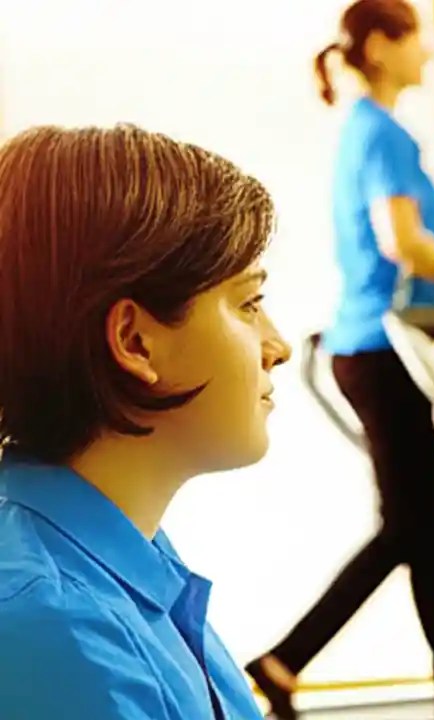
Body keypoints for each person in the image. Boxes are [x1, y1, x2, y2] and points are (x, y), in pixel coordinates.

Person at [243, 1, 434, 718]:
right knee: (411, 525)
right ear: (380, 45)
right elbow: (403, 241)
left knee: (426, 523)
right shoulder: (383, 135)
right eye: (417, 41)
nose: (429, 56)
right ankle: (283, 661)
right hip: (380, 351)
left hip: (381, 346)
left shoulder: (365, 132)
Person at [0, 124, 292, 718]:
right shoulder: (55, 633)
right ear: (135, 341)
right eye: (248, 305)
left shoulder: (127, 557)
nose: (277, 345)